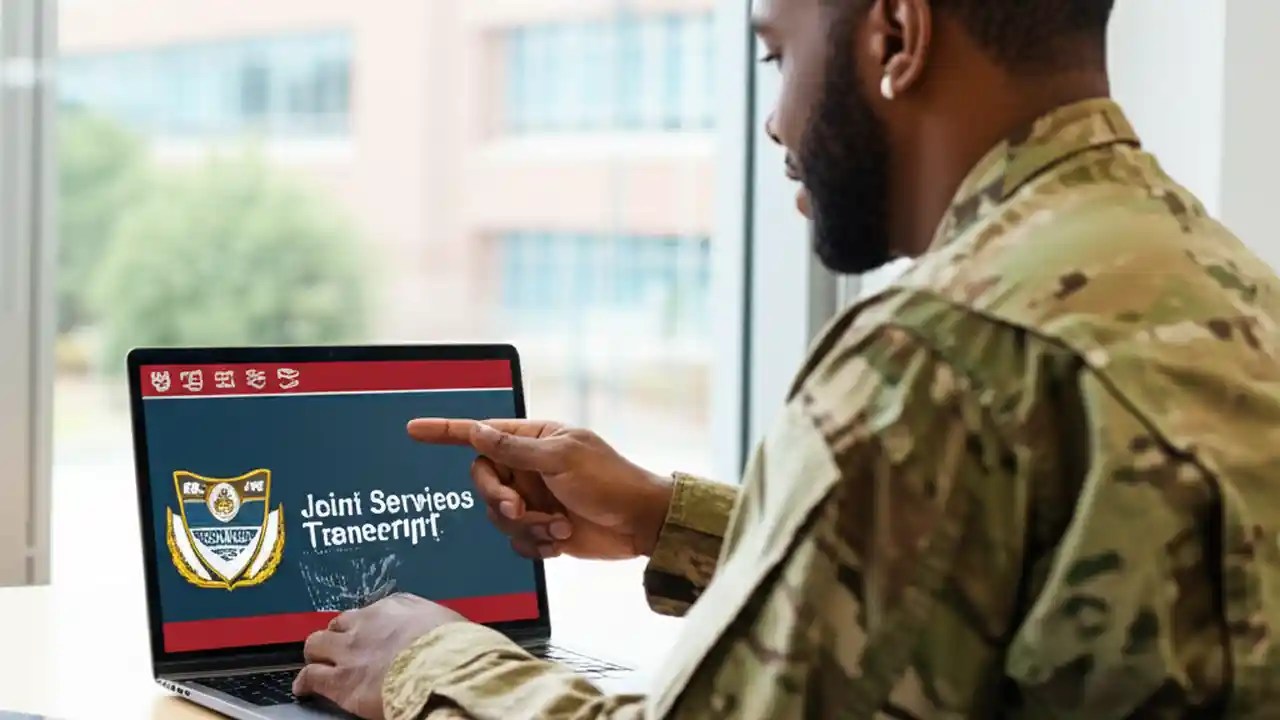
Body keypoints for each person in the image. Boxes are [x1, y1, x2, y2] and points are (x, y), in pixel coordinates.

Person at [293, 0, 1280, 717]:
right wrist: (658, 516)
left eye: (775, 56)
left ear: (895, 37)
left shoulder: (941, 354)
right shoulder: (1221, 281)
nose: (774, 119)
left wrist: (431, 663)